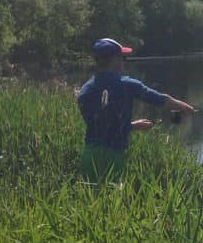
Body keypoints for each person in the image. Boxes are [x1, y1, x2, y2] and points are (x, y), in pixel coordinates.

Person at [77, 37, 196, 182]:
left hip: (89, 155)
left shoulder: (84, 90)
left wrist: (134, 126)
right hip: (113, 157)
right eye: (123, 58)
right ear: (115, 60)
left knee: (90, 199)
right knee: (111, 200)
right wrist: (184, 107)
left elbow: (101, 126)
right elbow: (159, 99)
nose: (124, 64)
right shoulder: (128, 85)